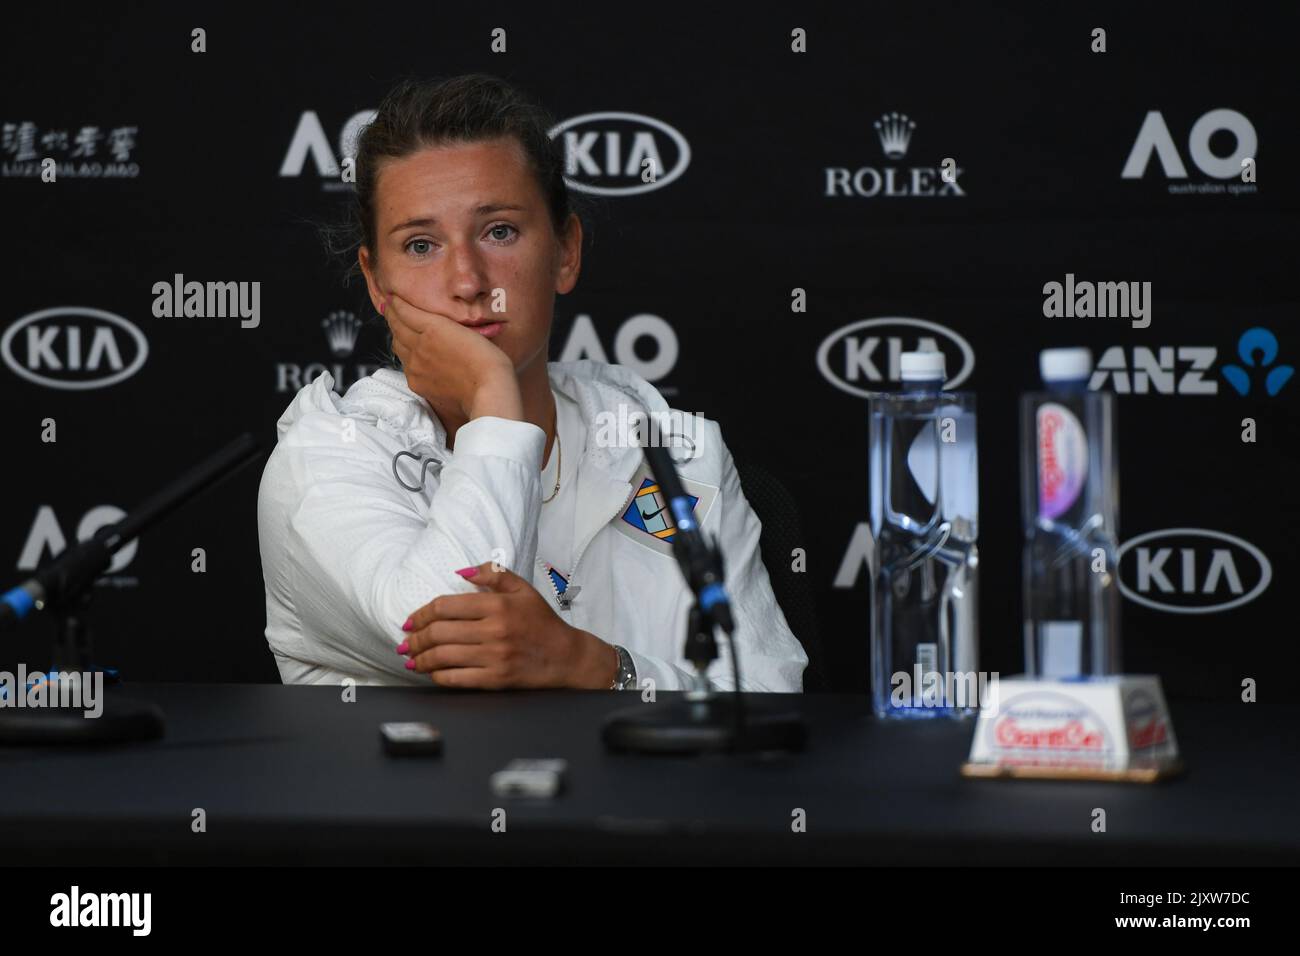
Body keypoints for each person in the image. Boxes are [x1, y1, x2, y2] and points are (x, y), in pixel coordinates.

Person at [257, 74, 808, 692]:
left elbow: (770, 699)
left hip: (652, 794)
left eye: (499, 231)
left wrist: (597, 667)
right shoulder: (326, 460)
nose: (467, 280)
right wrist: (494, 399)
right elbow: (466, 640)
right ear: (377, 283)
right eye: (420, 245)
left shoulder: (676, 452)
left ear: (566, 251)